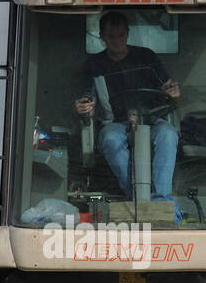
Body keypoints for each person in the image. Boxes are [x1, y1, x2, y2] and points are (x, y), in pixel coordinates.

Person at [74, 11, 180, 204]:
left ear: (128, 33)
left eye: (121, 35)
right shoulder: (94, 65)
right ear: (102, 37)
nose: (117, 41)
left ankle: (160, 200)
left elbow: (168, 86)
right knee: (110, 139)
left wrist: (172, 90)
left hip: (151, 120)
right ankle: (137, 197)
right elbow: (87, 97)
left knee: (169, 134)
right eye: (111, 36)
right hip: (115, 122)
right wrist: (83, 106)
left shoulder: (146, 57)